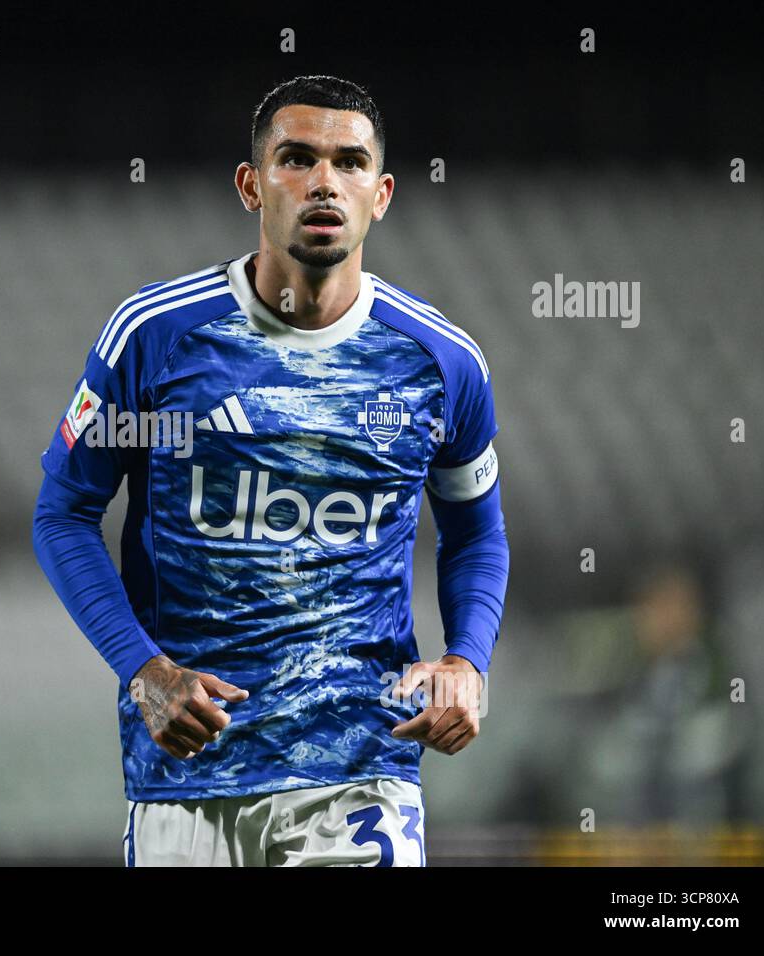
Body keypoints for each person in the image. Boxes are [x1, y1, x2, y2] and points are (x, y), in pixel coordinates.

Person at [32, 75, 509, 866]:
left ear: (382, 193)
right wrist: (144, 672)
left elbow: (476, 530)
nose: (326, 181)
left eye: (350, 163)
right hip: (187, 772)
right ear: (252, 184)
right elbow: (64, 513)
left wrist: (467, 661)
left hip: (361, 767)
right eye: (298, 158)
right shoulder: (155, 337)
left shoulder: (441, 363)